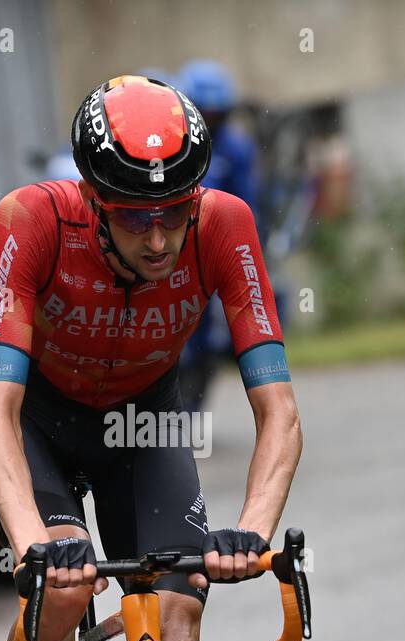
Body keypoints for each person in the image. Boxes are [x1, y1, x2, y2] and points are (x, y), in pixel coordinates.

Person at [0, 74, 302, 641]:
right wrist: (31, 546)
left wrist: (251, 534)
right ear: (92, 199)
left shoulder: (225, 225)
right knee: (66, 592)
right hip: (38, 428)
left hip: (142, 424)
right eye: (134, 218)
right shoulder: (32, 220)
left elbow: (279, 413)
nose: (159, 240)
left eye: (174, 214)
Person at [175, 60, 260, 412]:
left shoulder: (236, 150)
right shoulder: (171, 141)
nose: (209, 121)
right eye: (202, 112)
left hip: (213, 258)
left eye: (216, 114)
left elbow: (248, 206)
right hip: (167, 256)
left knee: (208, 339)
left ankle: (189, 410)